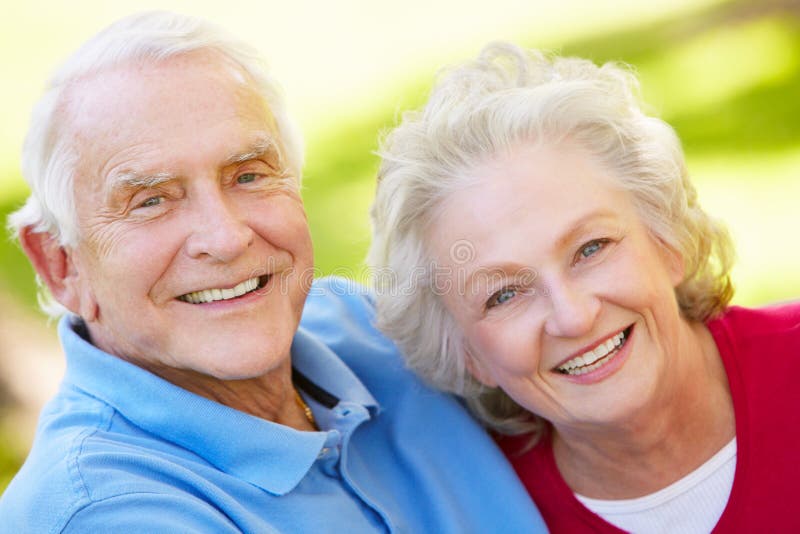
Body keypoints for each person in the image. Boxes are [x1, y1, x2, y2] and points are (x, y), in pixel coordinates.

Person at [0, 15, 546, 532]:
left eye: (248, 175)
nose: (226, 237)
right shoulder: (101, 513)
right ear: (61, 265)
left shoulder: (370, 329)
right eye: (151, 200)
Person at [368, 42, 800, 532]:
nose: (573, 317)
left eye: (591, 249)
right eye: (504, 295)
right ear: (469, 355)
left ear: (667, 240)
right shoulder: (478, 514)